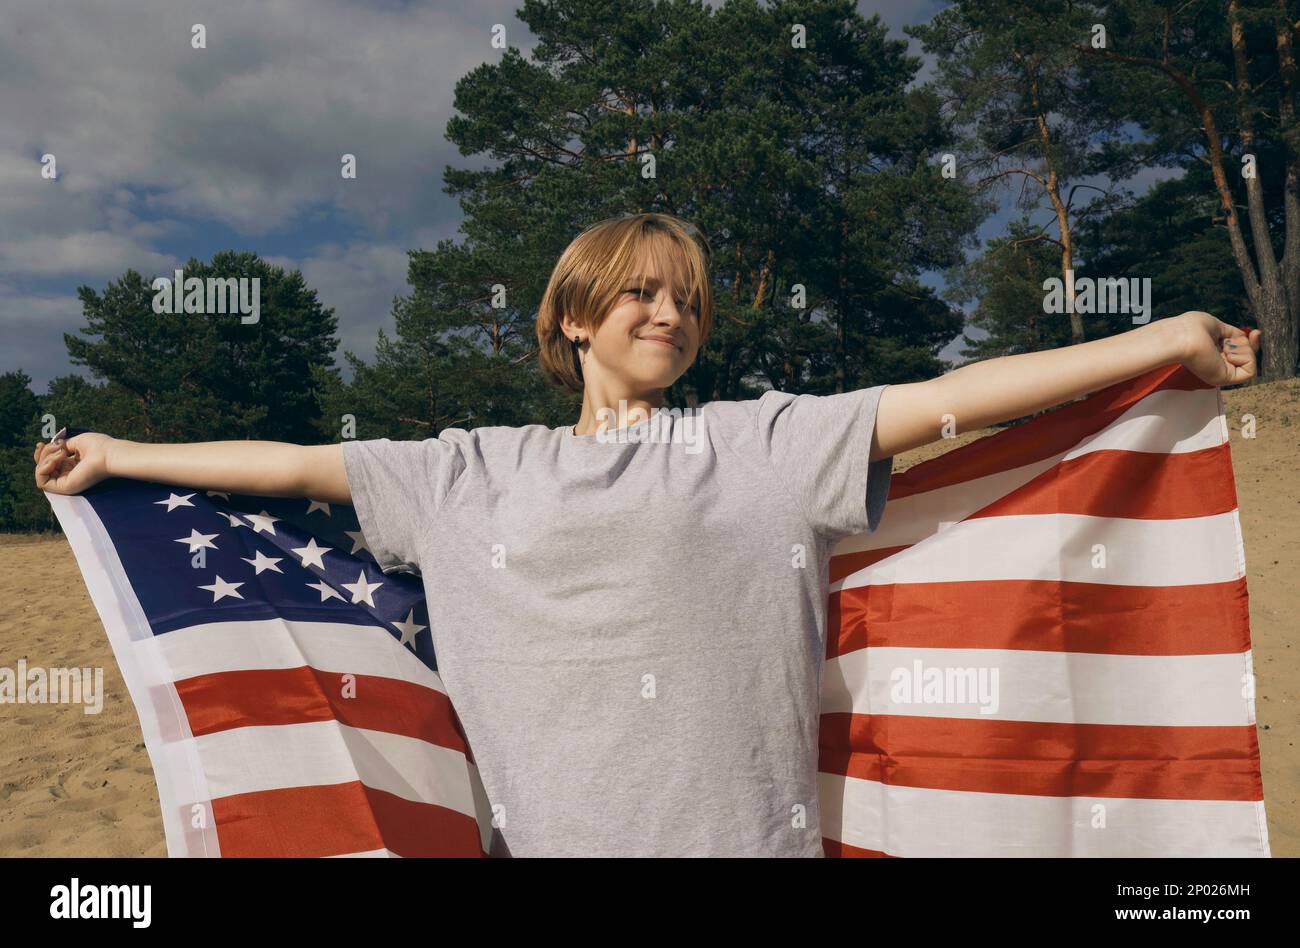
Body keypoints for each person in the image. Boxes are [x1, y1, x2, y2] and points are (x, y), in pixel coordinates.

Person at [34, 212, 1261, 857]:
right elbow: (295, 465)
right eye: (639, 291)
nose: (668, 312)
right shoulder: (463, 470)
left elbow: (960, 394)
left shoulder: (763, 445)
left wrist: (1162, 339)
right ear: (573, 316)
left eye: (685, 298)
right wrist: (121, 456)